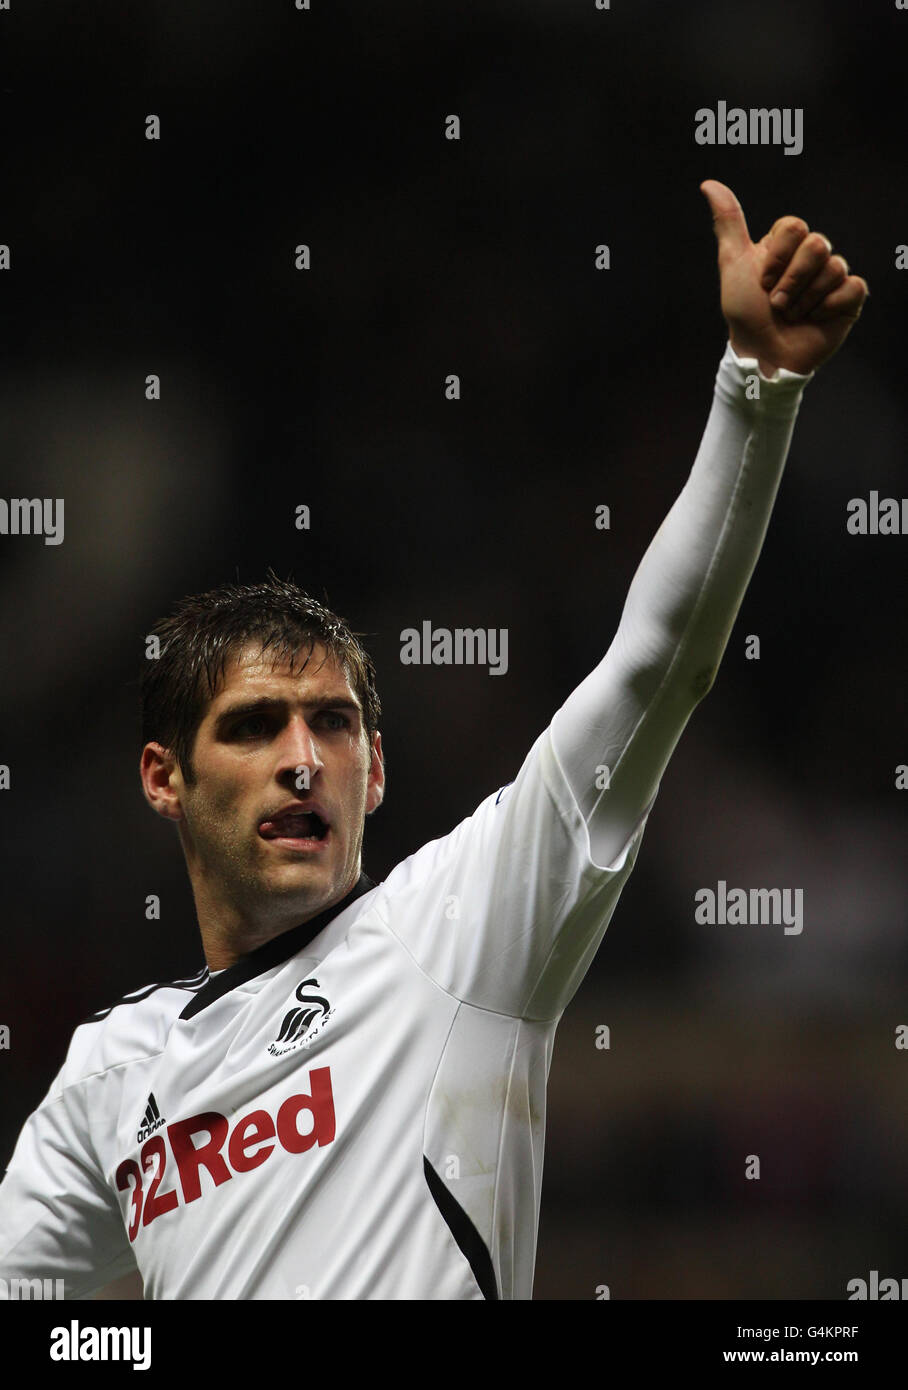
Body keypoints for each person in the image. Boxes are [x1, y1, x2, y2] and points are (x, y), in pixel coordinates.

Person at [0, 182, 867, 1300]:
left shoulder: (456, 932)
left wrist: (758, 389)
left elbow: (657, 663)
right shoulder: (109, 1072)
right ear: (164, 777)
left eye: (334, 723)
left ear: (375, 772)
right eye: (256, 726)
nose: (302, 757)